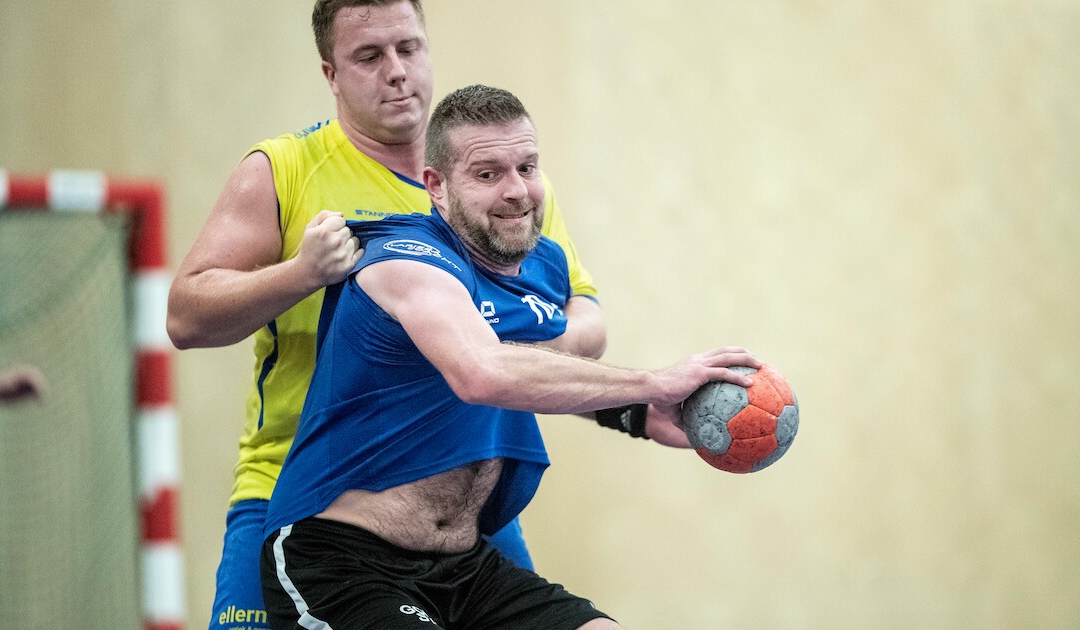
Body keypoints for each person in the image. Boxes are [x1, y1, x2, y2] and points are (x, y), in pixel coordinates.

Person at [166, 1, 606, 627]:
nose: (396, 71)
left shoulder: (500, 181)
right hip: (308, 497)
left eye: (409, 48)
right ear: (331, 73)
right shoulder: (283, 169)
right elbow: (185, 317)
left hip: (451, 499)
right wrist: (301, 274)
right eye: (369, 56)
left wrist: (491, 358)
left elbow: (582, 318)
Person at [261, 84, 759, 629]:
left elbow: (529, 368)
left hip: (464, 565)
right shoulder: (405, 259)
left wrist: (634, 414)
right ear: (437, 186)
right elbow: (484, 371)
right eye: (487, 174)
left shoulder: (541, 266)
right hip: (341, 560)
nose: (517, 191)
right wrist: (652, 382)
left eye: (527, 167)